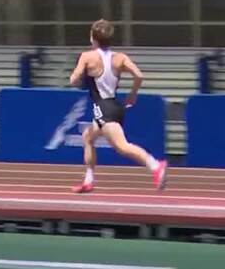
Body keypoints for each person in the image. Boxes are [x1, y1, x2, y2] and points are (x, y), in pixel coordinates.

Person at [68, 19, 168, 194]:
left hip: (104, 108)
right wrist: (133, 94)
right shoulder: (120, 57)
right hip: (115, 105)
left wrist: (81, 74)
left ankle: (155, 165)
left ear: (93, 38)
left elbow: (73, 80)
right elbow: (139, 75)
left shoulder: (87, 56)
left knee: (122, 146)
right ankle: (88, 181)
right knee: (88, 137)